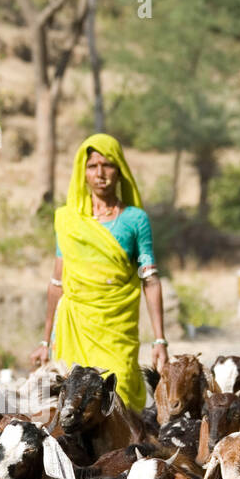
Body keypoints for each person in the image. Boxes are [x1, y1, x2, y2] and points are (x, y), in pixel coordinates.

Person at [30, 133, 167, 411]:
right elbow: (57, 282)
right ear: (83, 173)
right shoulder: (68, 220)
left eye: (108, 165)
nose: (100, 173)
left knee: (120, 397)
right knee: (73, 408)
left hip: (117, 331)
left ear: (120, 171)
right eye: (92, 166)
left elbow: (149, 279)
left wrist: (160, 340)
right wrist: (45, 341)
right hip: (74, 327)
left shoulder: (135, 219)